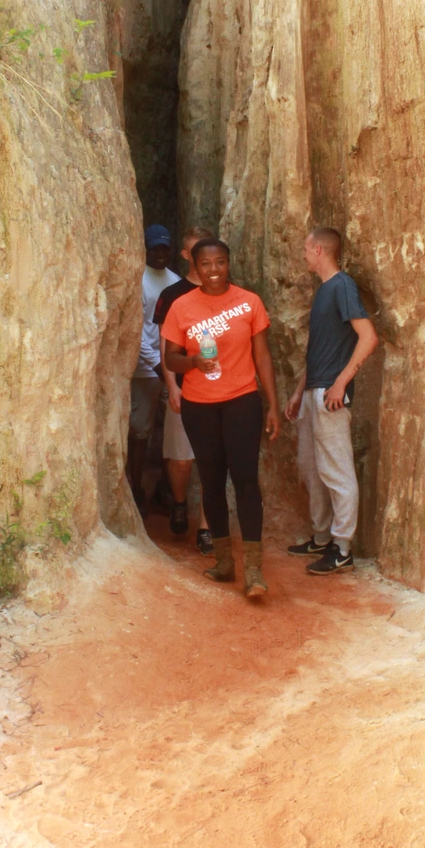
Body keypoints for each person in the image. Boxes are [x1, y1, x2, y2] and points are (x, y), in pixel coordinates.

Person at [161, 238, 280, 597]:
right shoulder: (181, 307)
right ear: (195, 268)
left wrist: (272, 403)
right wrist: (194, 362)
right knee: (211, 481)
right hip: (200, 405)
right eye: (206, 264)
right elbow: (171, 359)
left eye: (221, 262)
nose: (214, 270)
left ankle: (254, 572)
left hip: (242, 401)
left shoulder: (249, 303)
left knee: (245, 481)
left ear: (229, 264)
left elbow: (262, 357)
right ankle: (225, 562)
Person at [284, 227, 378, 575]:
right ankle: (322, 537)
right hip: (315, 393)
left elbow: (368, 337)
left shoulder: (341, 287)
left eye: (306, 249)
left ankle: (342, 549)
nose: (303, 254)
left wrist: (340, 383)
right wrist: (299, 392)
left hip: (330, 395)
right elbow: (319, 350)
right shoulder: (324, 291)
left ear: (319, 249)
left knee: (337, 471)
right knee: (311, 467)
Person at [153, 226, 215, 554]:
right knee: (181, 460)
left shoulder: (224, 293)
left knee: (210, 460)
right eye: (195, 251)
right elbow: (165, 347)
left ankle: (205, 528)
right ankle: (179, 501)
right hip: (183, 385)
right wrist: (172, 387)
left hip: (216, 390)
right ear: (185, 254)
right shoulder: (172, 295)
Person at [128, 224, 179, 515]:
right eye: (154, 248)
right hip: (144, 369)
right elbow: (133, 331)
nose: (160, 253)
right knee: (140, 431)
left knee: (172, 431)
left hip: (168, 368)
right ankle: (136, 489)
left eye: (164, 248)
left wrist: (170, 368)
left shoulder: (174, 281)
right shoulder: (137, 280)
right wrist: (158, 365)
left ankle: (166, 487)